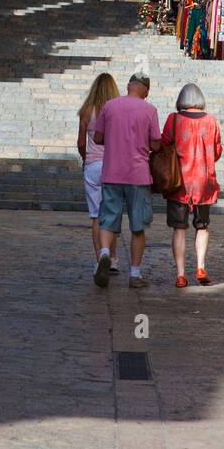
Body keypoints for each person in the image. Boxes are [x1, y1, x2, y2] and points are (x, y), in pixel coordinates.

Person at [92, 73, 162, 289]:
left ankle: (105, 253)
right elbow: (156, 144)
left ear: (129, 86)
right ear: (146, 91)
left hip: (112, 172)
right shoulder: (149, 110)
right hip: (138, 176)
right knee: (138, 226)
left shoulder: (110, 106)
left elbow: (97, 138)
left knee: (107, 219)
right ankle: (135, 273)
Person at [162, 84, 222, 288]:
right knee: (202, 226)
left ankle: (180, 274)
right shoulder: (211, 121)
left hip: (179, 183)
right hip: (204, 183)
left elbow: (165, 144)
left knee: (179, 229)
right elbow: (217, 150)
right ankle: (200, 266)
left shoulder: (174, 119)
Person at [77, 72, 120, 275]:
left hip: (93, 165)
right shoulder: (116, 112)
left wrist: (86, 158)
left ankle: (99, 259)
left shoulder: (86, 111)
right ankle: (112, 258)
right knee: (111, 215)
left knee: (96, 216)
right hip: (112, 166)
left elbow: (80, 143)